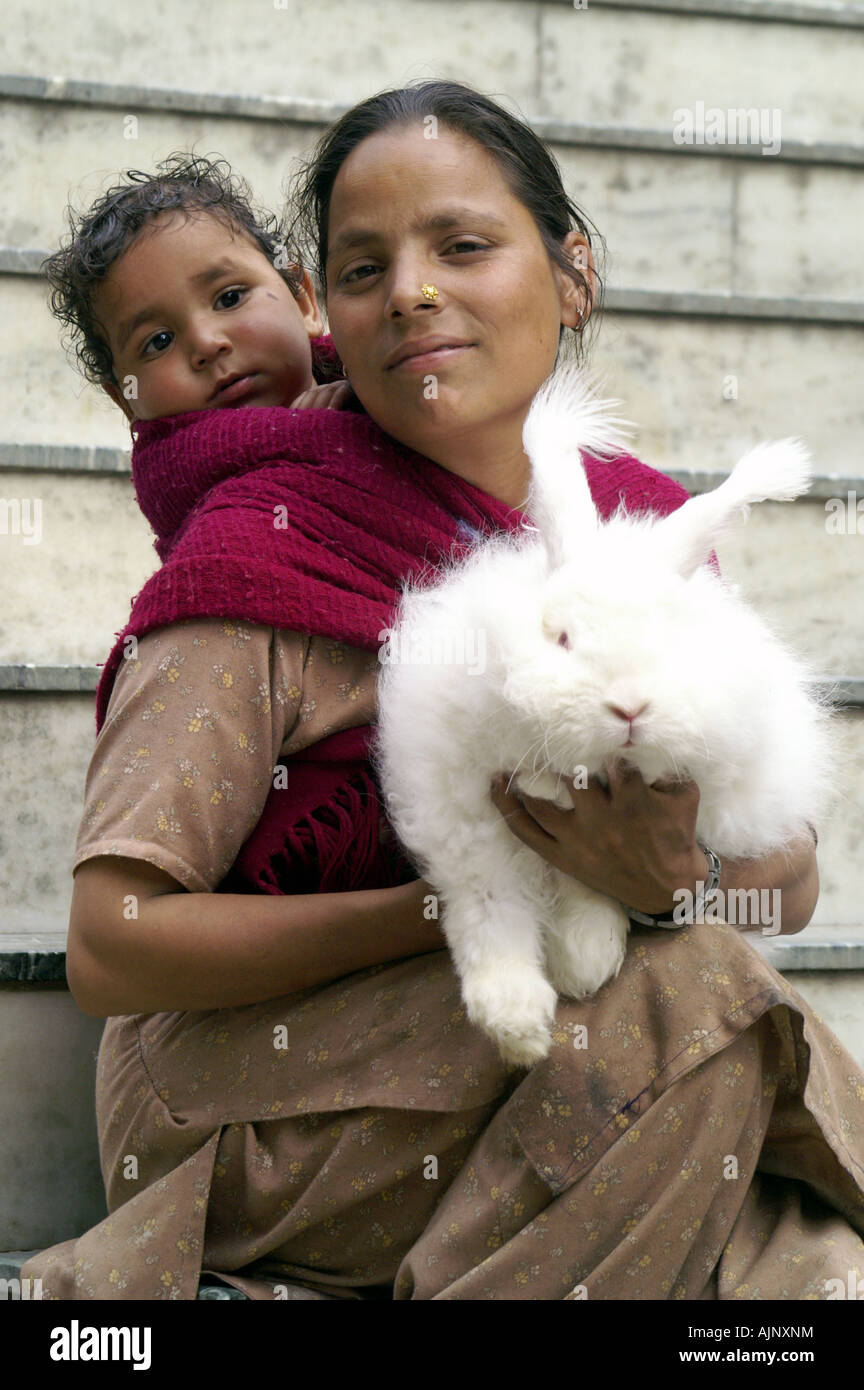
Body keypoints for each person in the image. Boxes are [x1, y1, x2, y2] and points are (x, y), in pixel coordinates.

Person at [24, 83, 864, 1301]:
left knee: (808, 1262)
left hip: (543, 1048)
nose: (413, 290)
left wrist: (664, 877)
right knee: (700, 1001)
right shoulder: (264, 552)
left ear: (571, 269)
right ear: (335, 311)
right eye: (368, 266)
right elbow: (111, 947)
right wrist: (466, 903)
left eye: (462, 246)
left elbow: (785, 878)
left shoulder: (631, 526)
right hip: (255, 1103)